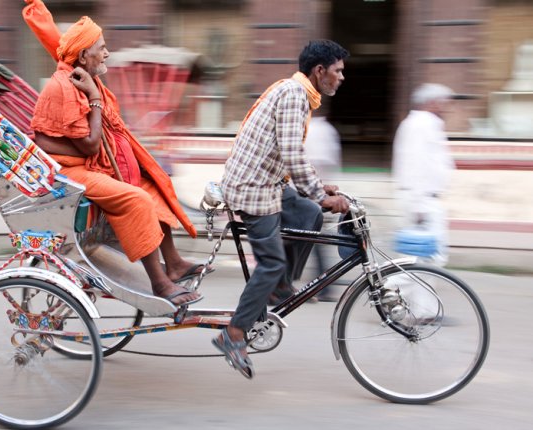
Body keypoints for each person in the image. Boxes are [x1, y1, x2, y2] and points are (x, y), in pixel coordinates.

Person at [23, 0, 205, 306]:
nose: (107, 53)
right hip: (69, 173)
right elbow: (91, 145)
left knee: (150, 182)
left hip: (89, 165)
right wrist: (94, 97)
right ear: (83, 55)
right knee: (136, 199)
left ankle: (172, 263)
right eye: (102, 47)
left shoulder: (82, 76)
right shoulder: (65, 87)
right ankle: (159, 283)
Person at [212, 40, 350, 378]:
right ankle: (233, 333)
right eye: (338, 71)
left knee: (309, 214)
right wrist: (319, 191)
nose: (342, 77)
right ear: (320, 71)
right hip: (253, 189)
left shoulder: (299, 93)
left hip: (268, 182)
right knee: (272, 261)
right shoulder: (294, 95)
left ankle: (278, 284)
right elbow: (292, 153)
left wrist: (320, 192)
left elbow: (289, 158)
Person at [392, 83, 455, 266]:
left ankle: (394, 289)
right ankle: (387, 287)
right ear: (433, 103)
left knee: (422, 260)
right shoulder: (420, 125)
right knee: (429, 258)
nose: (447, 107)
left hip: (425, 199)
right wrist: (418, 205)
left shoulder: (426, 124)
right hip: (422, 200)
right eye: (444, 102)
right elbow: (415, 164)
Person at [301, 114, 342, 302]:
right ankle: (321, 286)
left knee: (312, 243)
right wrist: (321, 195)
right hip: (310, 197)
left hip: (312, 196)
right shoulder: (319, 129)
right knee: (311, 243)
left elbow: (313, 166)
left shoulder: (315, 130)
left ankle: (321, 286)